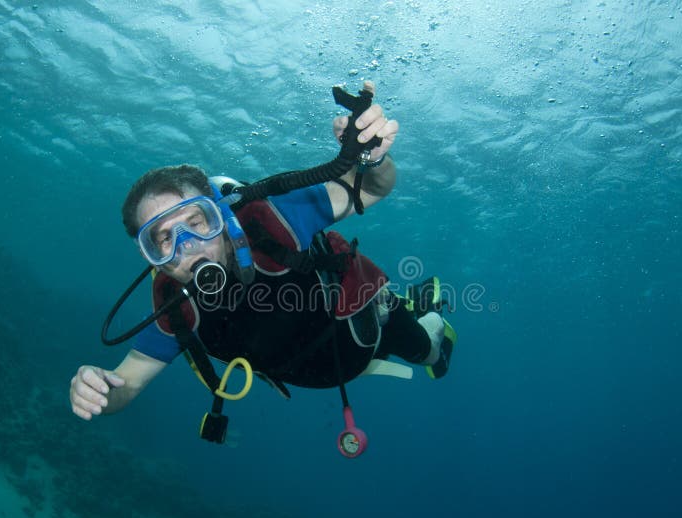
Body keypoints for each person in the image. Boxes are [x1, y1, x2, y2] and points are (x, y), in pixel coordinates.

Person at [69, 81, 455, 438]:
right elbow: (128, 383)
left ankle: (426, 314)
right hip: (315, 370)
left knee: (429, 353)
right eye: (165, 240)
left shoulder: (272, 222)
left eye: (196, 223)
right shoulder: (175, 306)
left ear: (220, 216)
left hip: (366, 326)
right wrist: (100, 391)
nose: (188, 247)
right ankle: (418, 305)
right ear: (153, 257)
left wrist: (371, 160)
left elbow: (372, 188)